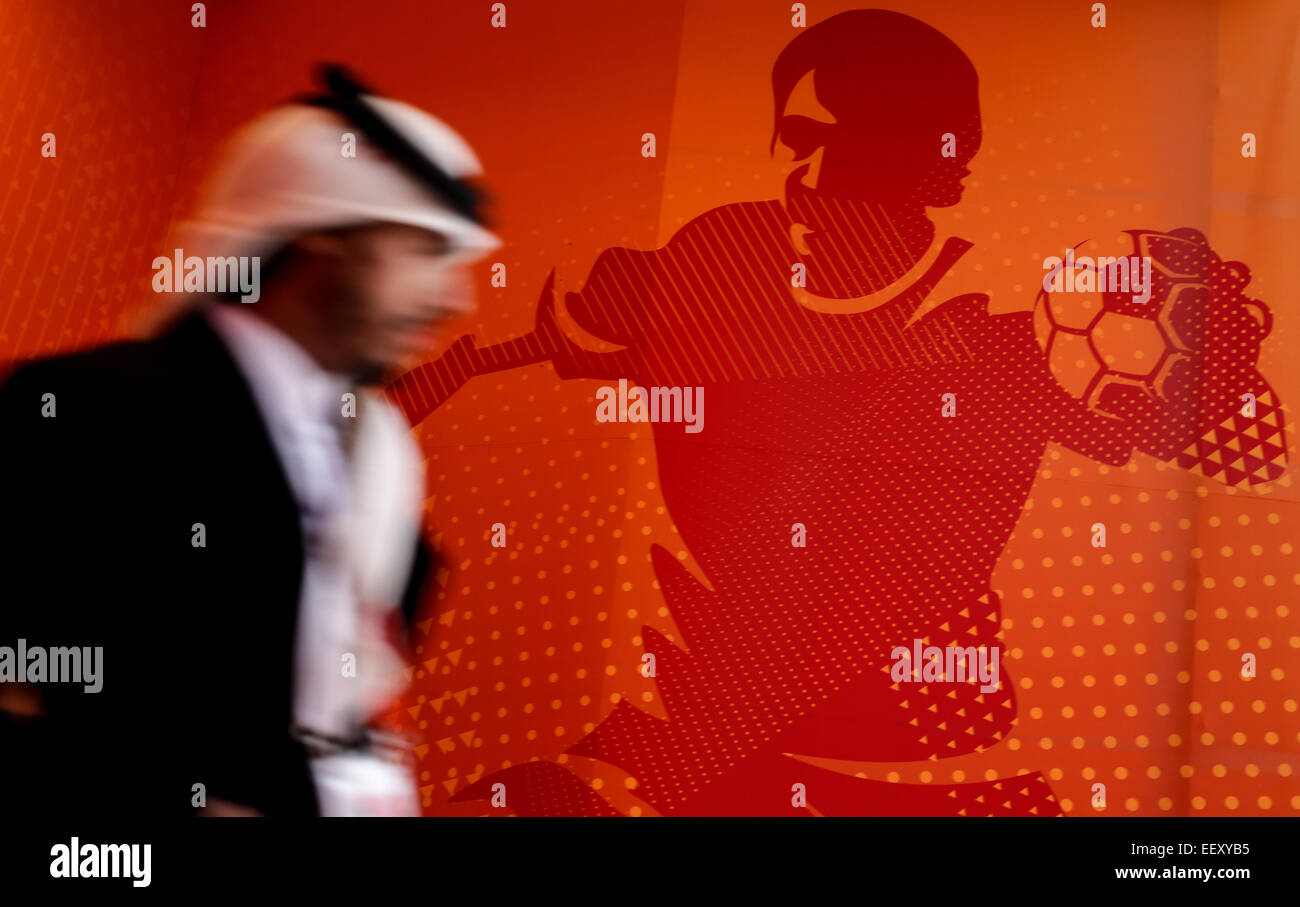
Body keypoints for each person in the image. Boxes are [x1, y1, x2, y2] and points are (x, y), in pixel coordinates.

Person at [382, 10, 1283, 815]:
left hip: (932, 760)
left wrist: (1215, 358)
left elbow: (1255, 455)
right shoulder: (717, 258)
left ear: (941, 157)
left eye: (850, 145)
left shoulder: (1021, 328)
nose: (808, 177)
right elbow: (480, 349)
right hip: (692, 727)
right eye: (797, 140)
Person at [0, 65, 502, 816]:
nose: (452, 298)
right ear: (325, 234)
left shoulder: (380, 451)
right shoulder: (89, 406)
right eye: (425, 250)